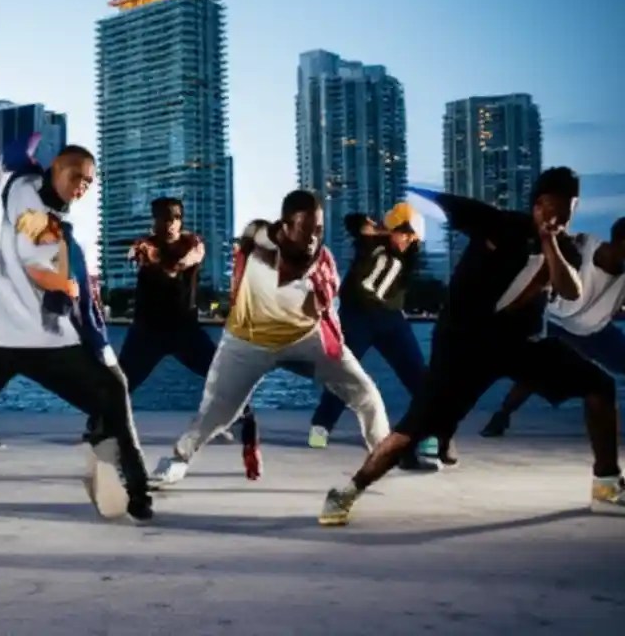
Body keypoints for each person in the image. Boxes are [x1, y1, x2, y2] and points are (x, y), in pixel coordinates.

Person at [319, 168, 625, 526]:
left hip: (519, 345)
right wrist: (391, 221)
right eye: (556, 211)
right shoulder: (498, 223)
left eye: (569, 214)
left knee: (600, 385)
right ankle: (348, 491)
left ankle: (608, 485)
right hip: (464, 347)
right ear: (538, 205)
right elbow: (435, 201)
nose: (562, 220)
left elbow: (571, 291)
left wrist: (550, 243)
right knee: (413, 429)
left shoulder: (564, 247)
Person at [0, 143, 155, 521]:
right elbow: (36, 265)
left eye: (89, 182)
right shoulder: (33, 207)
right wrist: (66, 285)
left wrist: (24, 149)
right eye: (75, 176)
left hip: (1, 331)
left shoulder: (16, 189)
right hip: (6, 335)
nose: (81, 186)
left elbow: (9, 159)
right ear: (54, 170)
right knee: (112, 390)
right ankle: (137, 489)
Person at [149, 190, 390, 487]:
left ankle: (381, 458)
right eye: (305, 231)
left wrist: (318, 289)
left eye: (318, 230)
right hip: (247, 343)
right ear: (286, 227)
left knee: (366, 394)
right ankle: (178, 460)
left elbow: (319, 302)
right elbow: (252, 236)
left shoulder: (322, 263)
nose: (313, 239)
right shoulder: (258, 240)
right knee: (216, 412)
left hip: (306, 342)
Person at [100, 197, 265, 480]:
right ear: (155, 220)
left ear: (182, 219)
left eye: (175, 217)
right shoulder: (146, 244)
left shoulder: (194, 244)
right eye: (164, 218)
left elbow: (185, 262)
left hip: (184, 331)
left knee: (226, 378)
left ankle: (249, 441)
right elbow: (135, 254)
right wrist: (139, 253)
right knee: (119, 385)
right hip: (147, 332)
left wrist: (159, 261)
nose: (170, 224)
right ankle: (104, 441)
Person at [480, 216, 625, 439]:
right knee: (535, 373)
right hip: (559, 324)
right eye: (622, 249)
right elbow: (549, 242)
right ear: (614, 241)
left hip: (596, 332)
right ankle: (502, 416)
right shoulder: (585, 244)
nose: (624, 256)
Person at [307, 204, 441, 472]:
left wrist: (399, 235)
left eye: (412, 236)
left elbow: (403, 257)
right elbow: (351, 219)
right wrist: (378, 229)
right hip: (357, 318)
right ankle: (322, 424)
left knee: (418, 375)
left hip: (391, 320)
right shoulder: (368, 242)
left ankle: (428, 433)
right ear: (392, 229)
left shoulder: (411, 253)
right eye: (404, 233)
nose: (408, 240)